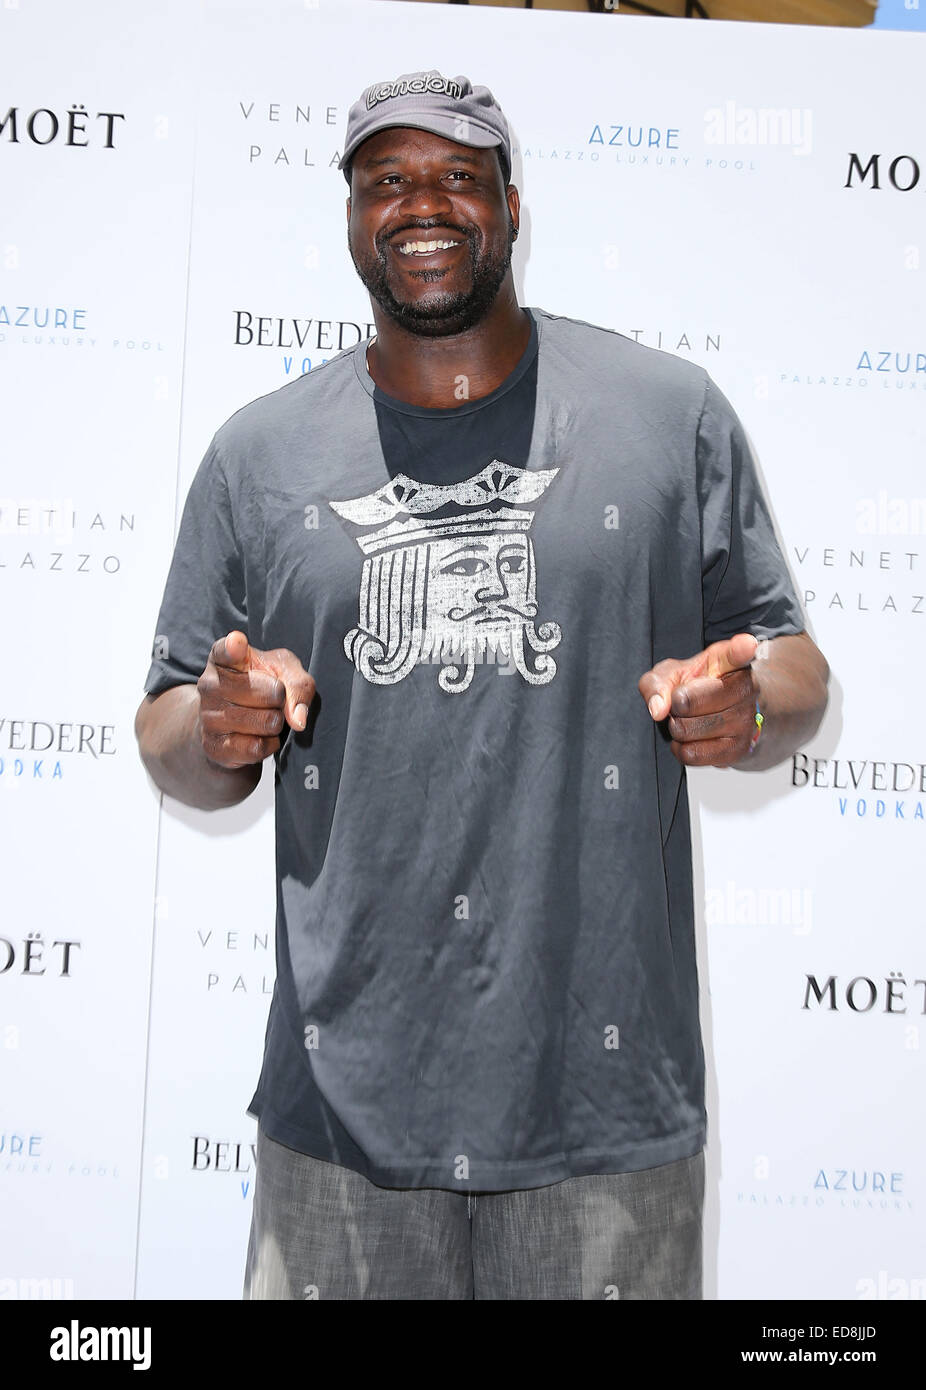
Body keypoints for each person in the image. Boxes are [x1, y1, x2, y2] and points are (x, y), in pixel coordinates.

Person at [135, 70, 829, 1301]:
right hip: (341, 1119)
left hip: (604, 1114)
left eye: (459, 174)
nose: (422, 203)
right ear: (350, 216)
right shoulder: (259, 453)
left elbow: (789, 664)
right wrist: (218, 727)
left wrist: (753, 705)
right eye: (385, 179)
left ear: (511, 206)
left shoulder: (665, 415)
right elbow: (169, 726)